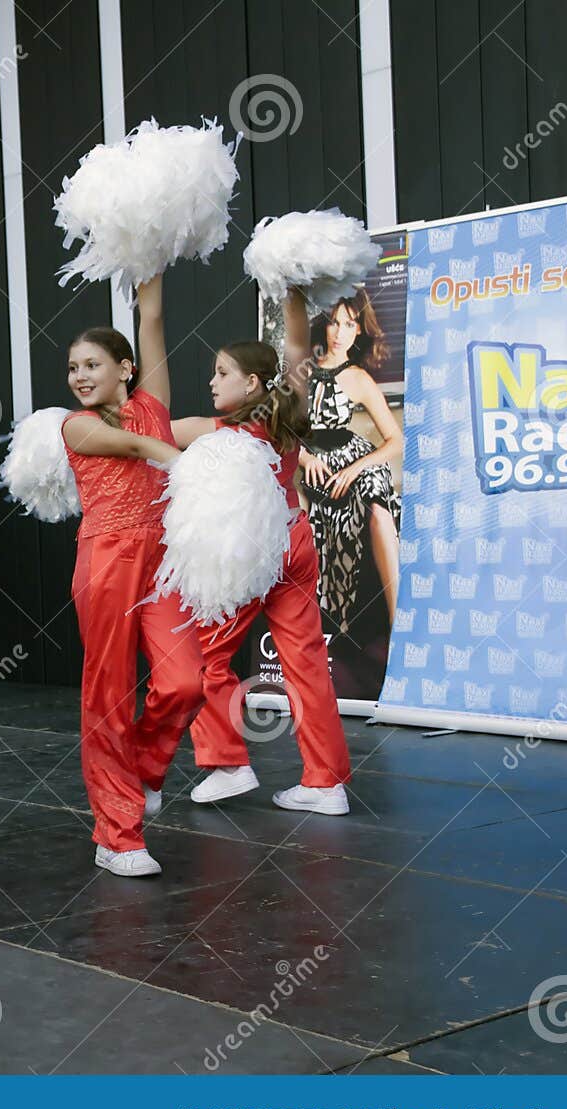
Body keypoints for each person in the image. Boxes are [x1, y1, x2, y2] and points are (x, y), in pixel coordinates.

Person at [172, 296, 352, 816]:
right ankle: (325, 784)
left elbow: (150, 434)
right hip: (294, 543)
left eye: (221, 372)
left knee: (202, 655)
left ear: (251, 382)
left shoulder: (218, 431)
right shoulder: (285, 419)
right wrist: (293, 296)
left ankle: (228, 764)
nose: (212, 381)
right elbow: (297, 346)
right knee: (307, 666)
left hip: (249, 554)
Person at [60, 275, 205, 877]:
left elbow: (151, 322)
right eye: (73, 367)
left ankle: (142, 770)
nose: (80, 376)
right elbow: (140, 450)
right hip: (107, 561)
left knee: (185, 682)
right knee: (108, 695)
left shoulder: (151, 405)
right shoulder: (75, 426)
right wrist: (187, 463)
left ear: (125, 367)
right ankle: (116, 835)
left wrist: (150, 270)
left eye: (92, 364)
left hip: (160, 562)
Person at [302, 289, 402, 626]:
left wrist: (356, 468)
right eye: (334, 322)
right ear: (324, 324)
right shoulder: (299, 369)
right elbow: (278, 428)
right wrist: (305, 458)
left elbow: (395, 440)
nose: (340, 332)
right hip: (305, 460)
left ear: (359, 330)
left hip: (351, 461)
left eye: (349, 324)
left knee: (377, 503)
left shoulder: (359, 379)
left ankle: (398, 622)